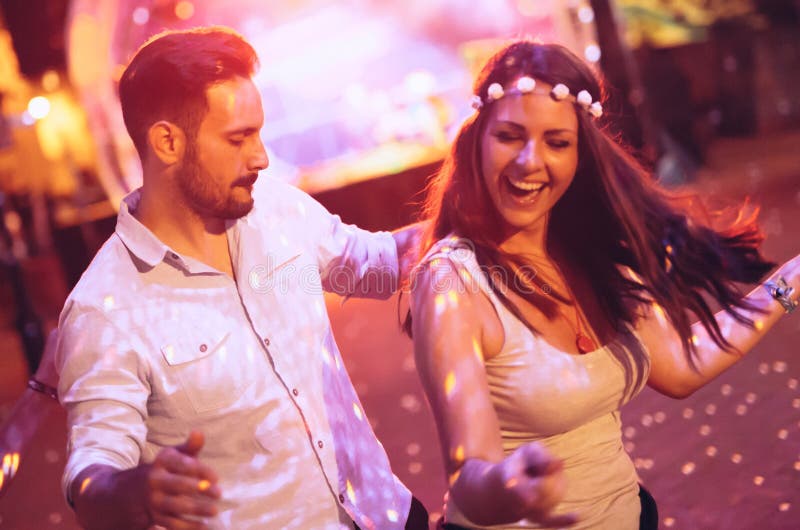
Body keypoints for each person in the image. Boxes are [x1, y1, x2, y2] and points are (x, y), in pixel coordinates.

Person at [406, 40, 799, 530]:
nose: (531, 161)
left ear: (581, 154)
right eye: (509, 135)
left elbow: (678, 366)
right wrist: (510, 487)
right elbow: (470, 474)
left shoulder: (593, 252)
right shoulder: (450, 282)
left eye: (557, 141)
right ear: (476, 138)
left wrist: (789, 284)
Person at [55, 26, 428, 530]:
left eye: (258, 132)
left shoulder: (273, 206)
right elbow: (90, 472)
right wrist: (131, 491)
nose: (261, 156)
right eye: (238, 138)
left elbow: (378, 264)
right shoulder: (104, 311)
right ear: (167, 142)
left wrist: (476, 212)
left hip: (385, 514)